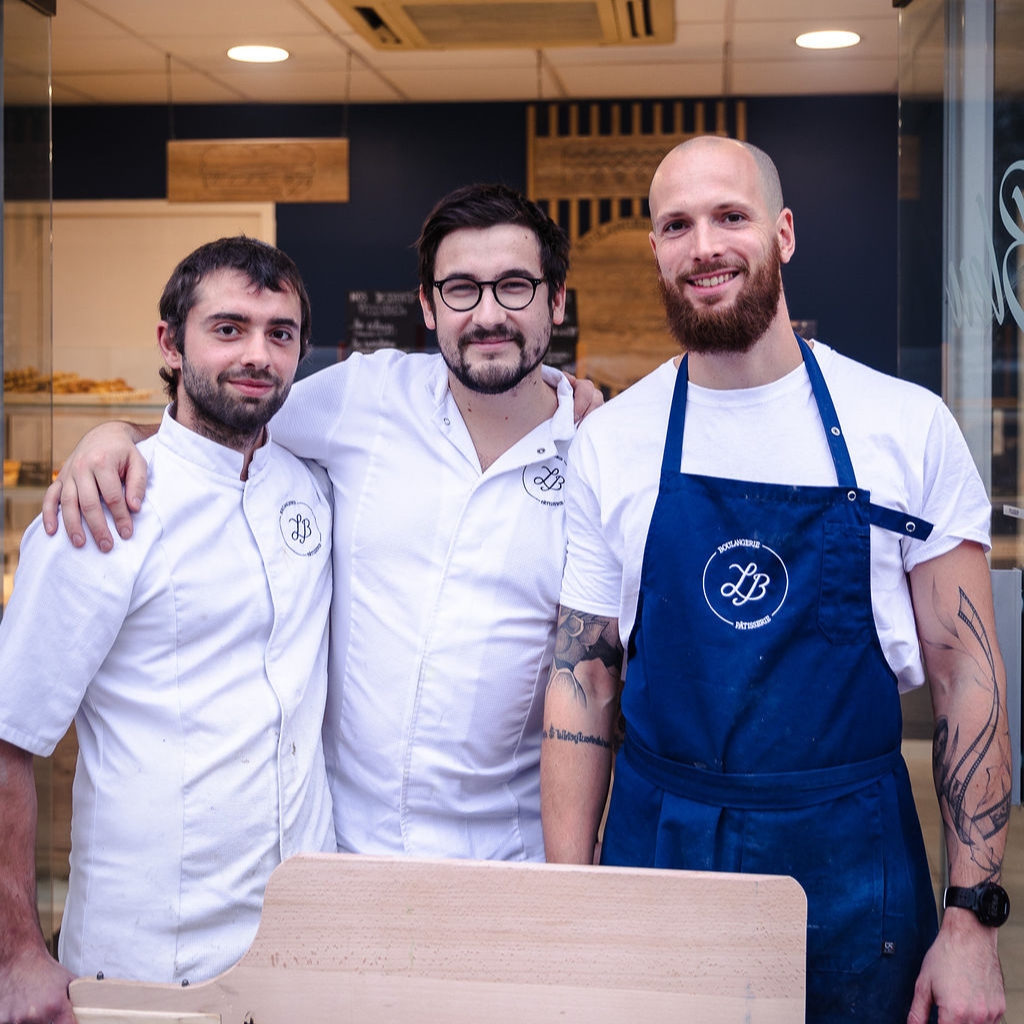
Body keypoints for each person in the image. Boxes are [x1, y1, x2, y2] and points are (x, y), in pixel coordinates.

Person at [540, 137, 1011, 1024]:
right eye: (676, 225)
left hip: (849, 868)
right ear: (655, 250)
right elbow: (584, 678)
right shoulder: (614, 441)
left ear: (783, 233)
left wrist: (972, 920)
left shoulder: (904, 426)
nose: (704, 246)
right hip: (659, 853)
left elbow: (967, 679)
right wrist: (569, 904)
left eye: (731, 216)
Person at [40, 184, 597, 862]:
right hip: (340, 853)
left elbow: (600, 683)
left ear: (555, 299)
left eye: (514, 286)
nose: (487, 314)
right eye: (460, 289)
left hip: (510, 857)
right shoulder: (365, 395)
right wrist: (114, 434)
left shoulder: (599, 452)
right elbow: (225, 421)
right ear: (428, 306)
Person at [0, 237, 335, 1023]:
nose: (257, 355)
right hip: (149, 959)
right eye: (228, 328)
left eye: (280, 333)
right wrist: (15, 955)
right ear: (170, 344)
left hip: (303, 953)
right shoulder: (100, 509)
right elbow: (8, 738)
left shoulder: (311, 486)